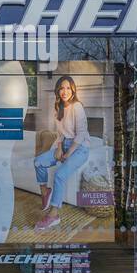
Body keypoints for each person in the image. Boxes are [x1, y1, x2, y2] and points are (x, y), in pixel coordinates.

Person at [33, 74, 89, 231]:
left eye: (68, 88)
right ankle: (45, 192)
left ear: (73, 90)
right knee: (38, 162)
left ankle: (53, 215)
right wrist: (58, 147)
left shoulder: (77, 106)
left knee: (59, 175)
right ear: (57, 91)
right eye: (62, 88)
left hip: (80, 148)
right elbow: (60, 133)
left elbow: (81, 134)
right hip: (64, 144)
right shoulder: (58, 107)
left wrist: (68, 153)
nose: (65, 91)